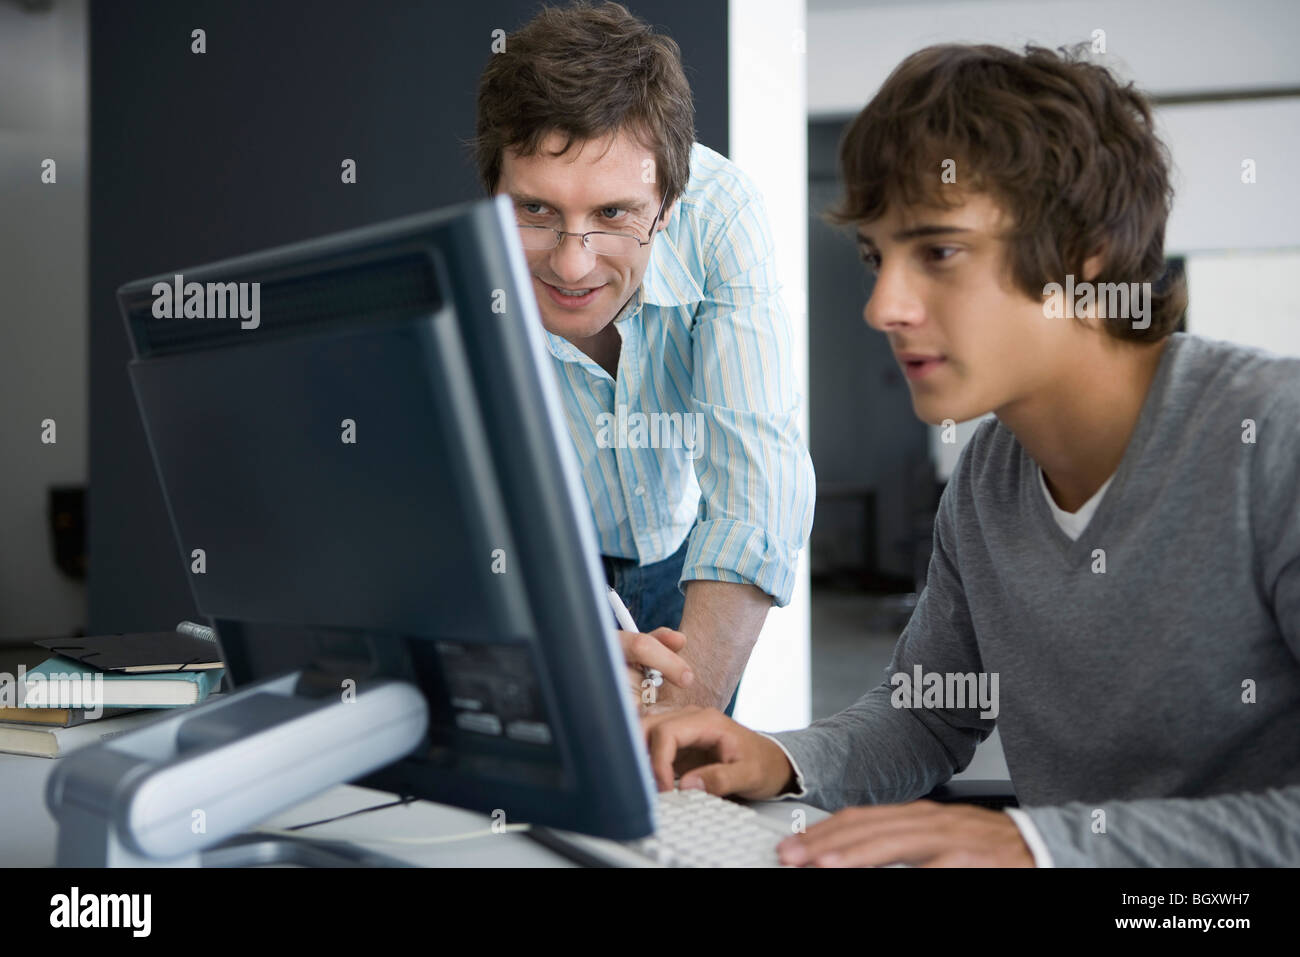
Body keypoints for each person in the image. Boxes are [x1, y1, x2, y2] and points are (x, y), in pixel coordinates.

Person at [642, 43, 1300, 866]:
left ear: (1084, 251)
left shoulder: (1273, 437)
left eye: (939, 252)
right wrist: (779, 758)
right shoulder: (991, 476)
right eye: (878, 258)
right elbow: (927, 714)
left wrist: (1036, 843)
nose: (884, 305)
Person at [473, 2, 815, 714]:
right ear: (495, 190)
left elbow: (758, 480)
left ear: (669, 202)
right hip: (543, 571)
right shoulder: (468, 261)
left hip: (689, 561)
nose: (573, 264)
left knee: (686, 779)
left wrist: (685, 713)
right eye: (535, 210)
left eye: (613, 215)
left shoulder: (721, 216)